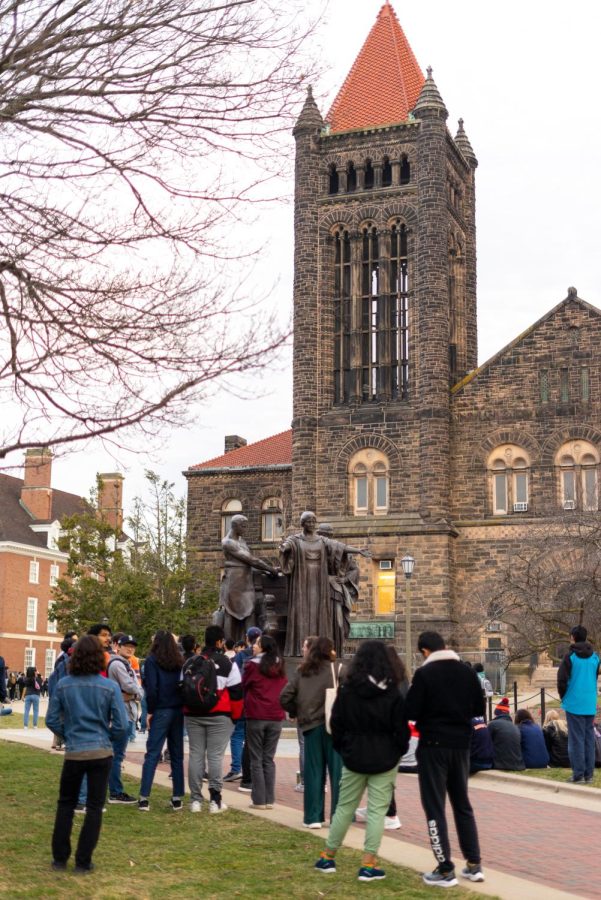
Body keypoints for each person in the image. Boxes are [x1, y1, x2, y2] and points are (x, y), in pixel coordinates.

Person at [314, 640, 409, 882]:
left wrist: (344, 748)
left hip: (354, 755)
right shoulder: (392, 692)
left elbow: (336, 723)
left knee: (344, 808)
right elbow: (401, 729)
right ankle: (368, 864)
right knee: (377, 812)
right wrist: (398, 751)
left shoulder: (348, 689)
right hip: (385, 757)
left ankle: (328, 856)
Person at [405, 631, 486, 887]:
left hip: (433, 745)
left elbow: (411, 711)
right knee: (462, 803)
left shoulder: (424, 674)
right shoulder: (467, 672)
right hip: (461, 745)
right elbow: (478, 709)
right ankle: (474, 863)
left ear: (425, 651)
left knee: (434, 806)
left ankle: (444, 868)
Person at [47, 634, 128, 873]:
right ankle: (83, 861)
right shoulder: (110, 687)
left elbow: (52, 719)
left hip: (74, 752)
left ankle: (60, 859)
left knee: (66, 804)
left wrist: (69, 735)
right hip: (100, 752)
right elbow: (122, 725)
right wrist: (107, 739)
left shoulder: (63, 685)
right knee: (94, 806)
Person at [280, 635, 342, 828]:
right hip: (335, 727)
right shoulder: (338, 670)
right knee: (337, 773)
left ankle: (313, 817)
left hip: (311, 726)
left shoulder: (302, 672)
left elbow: (285, 696)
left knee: (314, 772)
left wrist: (295, 711)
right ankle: (338, 817)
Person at [185, 624, 243, 814]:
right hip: (219, 715)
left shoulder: (192, 662)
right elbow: (236, 693)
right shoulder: (227, 663)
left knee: (195, 755)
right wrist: (235, 718)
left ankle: (195, 800)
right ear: (220, 642)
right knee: (215, 756)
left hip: (193, 714)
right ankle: (215, 800)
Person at [138, 631, 185, 812]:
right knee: (177, 754)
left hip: (161, 709)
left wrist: (150, 711)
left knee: (152, 753)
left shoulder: (152, 660)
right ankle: (177, 797)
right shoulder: (178, 660)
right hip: (177, 709)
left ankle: (144, 797)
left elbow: (152, 689)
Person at [242, 634, 287, 809]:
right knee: (268, 759)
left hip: (256, 714)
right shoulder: (280, 664)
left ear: (263, 647)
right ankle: (269, 799)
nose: (254, 646)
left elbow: (244, 684)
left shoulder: (252, 665)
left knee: (256, 758)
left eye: (257, 644)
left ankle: (259, 799)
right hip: (275, 716)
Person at [220, 514, 279, 642]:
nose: (245, 529)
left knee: (250, 610)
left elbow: (249, 564)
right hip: (234, 581)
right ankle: (229, 646)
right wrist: (270, 569)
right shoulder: (228, 542)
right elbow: (251, 560)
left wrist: (269, 571)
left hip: (246, 580)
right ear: (235, 525)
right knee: (231, 612)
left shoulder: (242, 541)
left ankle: (252, 644)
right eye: (243, 526)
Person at [315, 523, 370, 658]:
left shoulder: (341, 551)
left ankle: (336, 651)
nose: (323, 539)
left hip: (333, 590)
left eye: (325, 536)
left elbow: (355, 569)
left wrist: (345, 579)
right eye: (321, 535)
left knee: (337, 622)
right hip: (315, 590)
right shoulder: (313, 548)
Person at [557, 624, 600, 784]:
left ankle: (578, 774)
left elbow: (561, 680)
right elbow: (594, 677)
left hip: (574, 702)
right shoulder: (595, 657)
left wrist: (564, 696)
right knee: (589, 738)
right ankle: (589, 775)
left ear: (573, 637)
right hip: (589, 702)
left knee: (576, 740)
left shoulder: (570, 657)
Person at [106, 635, 143, 803]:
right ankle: (115, 792)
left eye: (132, 646)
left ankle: (113, 790)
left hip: (126, 714)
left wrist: (135, 693)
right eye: (126, 646)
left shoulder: (126, 664)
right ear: (117, 646)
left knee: (115, 754)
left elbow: (136, 690)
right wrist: (136, 693)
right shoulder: (117, 664)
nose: (130, 649)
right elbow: (130, 686)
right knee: (117, 755)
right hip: (122, 715)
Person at [226, 626, 262, 789]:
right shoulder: (269, 659)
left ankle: (236, 769)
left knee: (237, 735)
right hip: (258, 706)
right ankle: (255, 774)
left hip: (242, 701)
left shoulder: (241, 656)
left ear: (248, 638)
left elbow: (236, 679)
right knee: (253, 740)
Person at [487, 697, 525, 771]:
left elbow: (486, 743)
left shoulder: (493, 724)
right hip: (518, 764)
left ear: (497, 714)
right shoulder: (515, 727)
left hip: (500, 764)